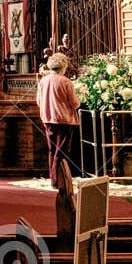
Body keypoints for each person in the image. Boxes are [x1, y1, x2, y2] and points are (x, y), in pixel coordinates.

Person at [35, 52, 81, 189]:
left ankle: (54, 179)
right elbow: (75, 103)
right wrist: (79, 99)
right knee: (61, 152)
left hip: (47, 118)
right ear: (64, 66)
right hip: (63, 120)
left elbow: (38, 101)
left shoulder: (43, 81)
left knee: (52, 150)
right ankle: (57, 181)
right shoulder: (65, 82)